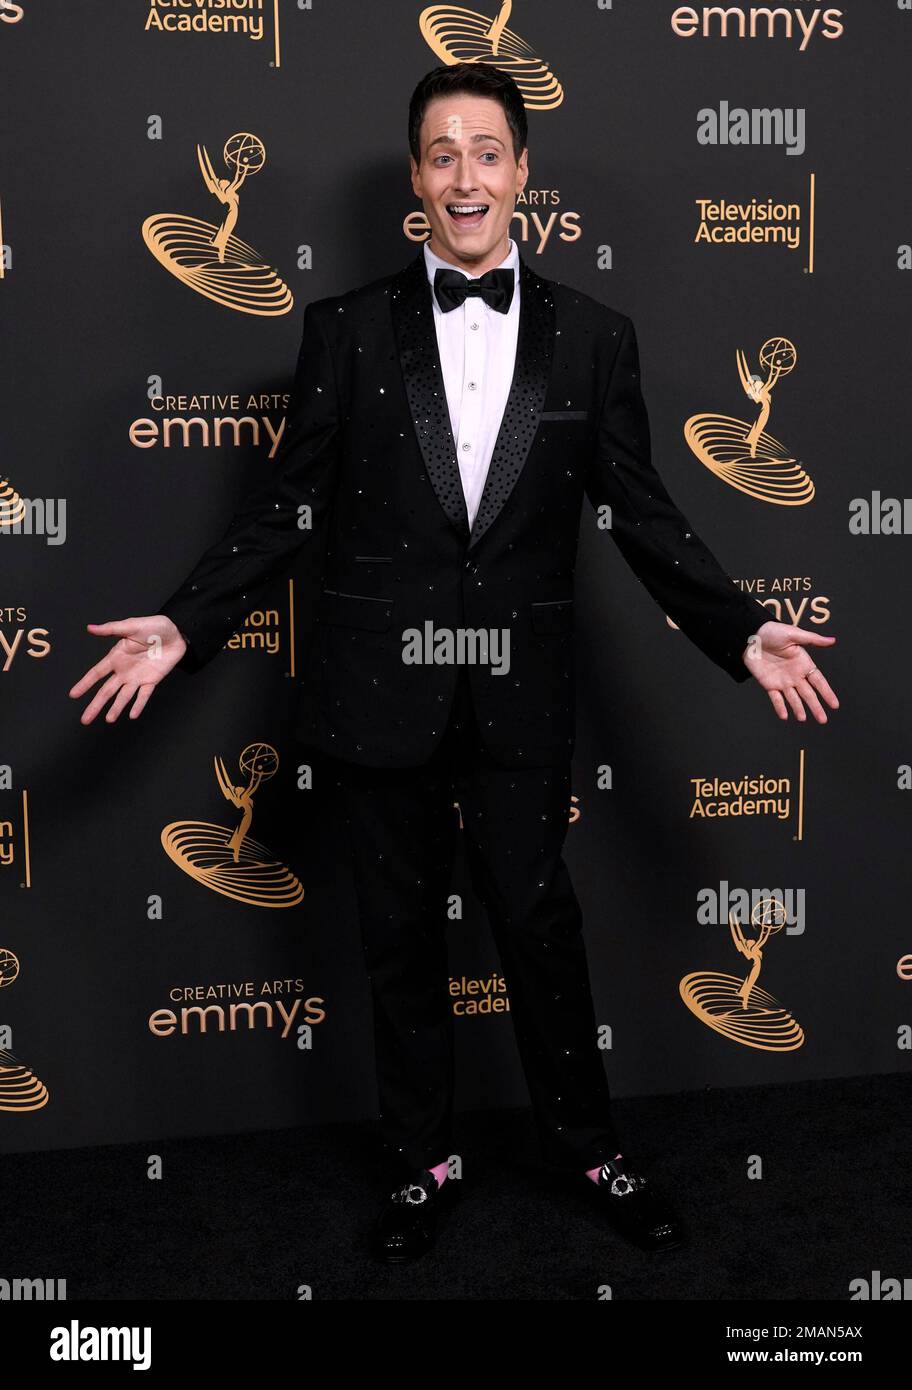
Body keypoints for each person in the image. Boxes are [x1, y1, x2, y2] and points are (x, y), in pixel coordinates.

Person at [70, 62, 839, 1263]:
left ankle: (591, 1148)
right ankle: (422, 1163)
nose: (466, 176)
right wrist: (187, 622)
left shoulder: (596, 339)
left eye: (488, 151)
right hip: (378, 694)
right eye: (443, 154)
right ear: (417, 182)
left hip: (523, 702)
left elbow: (642, 512)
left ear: (525, 174)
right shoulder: (344, 329)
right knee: (396, 943)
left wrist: (740, 627)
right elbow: (287, 509)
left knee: (539, 928)